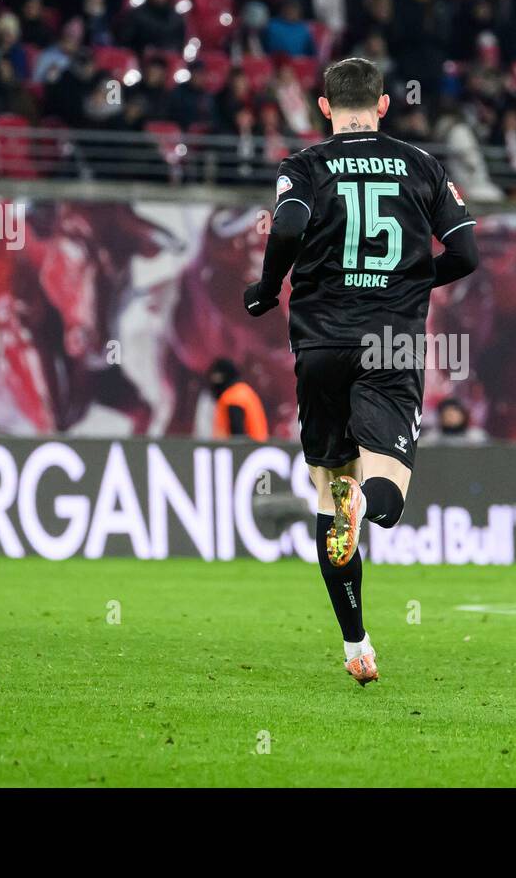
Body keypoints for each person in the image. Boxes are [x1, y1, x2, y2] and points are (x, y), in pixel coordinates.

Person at [243, 57, 478, 685]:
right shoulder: (421, 165)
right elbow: (466, 251)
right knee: (388, 497)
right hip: (390, 342)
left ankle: (355, 645)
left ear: (323, 107)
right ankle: (361, 512)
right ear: (381, 106)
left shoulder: (304, 166)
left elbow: (289, 222)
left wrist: (269, 288)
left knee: (330, 489)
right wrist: (410, 280)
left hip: (319, 345)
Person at [207, 359, 268, 442]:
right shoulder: (244, 391)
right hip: (256, 449)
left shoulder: (233, 396)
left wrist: (237, 451)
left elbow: (237, 433)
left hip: (245, 450)